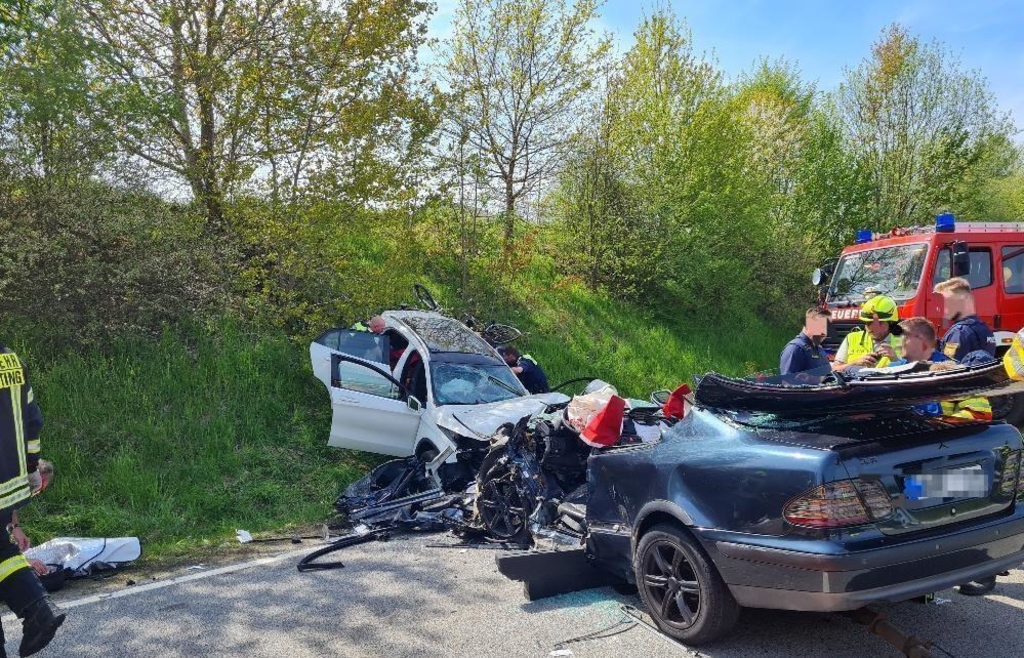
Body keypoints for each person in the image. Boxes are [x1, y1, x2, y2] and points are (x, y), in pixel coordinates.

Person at [0, 345, 65, 657]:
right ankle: (38, 610)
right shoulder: (10, 358)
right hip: (9, 483)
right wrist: (30, 467)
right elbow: (32, 420)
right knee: (2, 552)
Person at [832, 295, 903, 372]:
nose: (872, 328)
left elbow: (913, 373)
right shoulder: (851, 338)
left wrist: (895, 360)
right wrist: (855, 362)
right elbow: (835, 369)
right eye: (868, 323)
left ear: (891, 323)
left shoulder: (903, 342)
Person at [934, 278, 996, 360]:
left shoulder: (959, 333)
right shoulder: (984, 328)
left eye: (948, 301)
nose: (943, 307)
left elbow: (948, 367)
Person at [779, 308, 831, 375]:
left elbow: (828, 377)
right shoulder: (795, 349)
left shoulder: (819, 349)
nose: (824, 332)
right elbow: (787, 382)